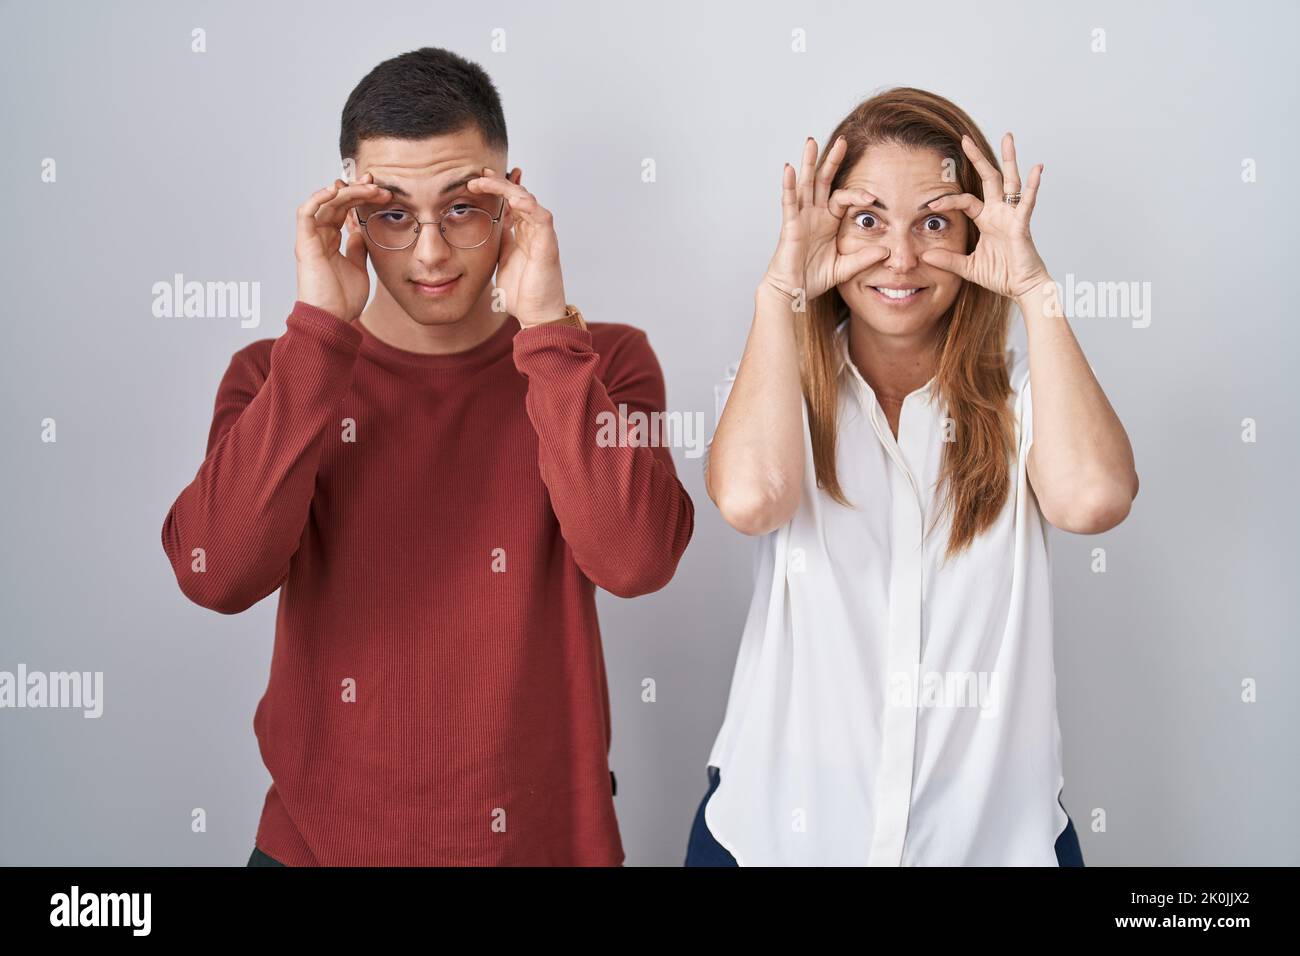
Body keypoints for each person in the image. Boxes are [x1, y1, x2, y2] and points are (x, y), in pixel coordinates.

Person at [160, 47, 694, 866]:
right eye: (394, 214)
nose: (432, 254)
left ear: (513, 199)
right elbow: (216, 575)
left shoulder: (603, 365)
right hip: (318, 849)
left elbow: (635, 560)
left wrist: (548, 329)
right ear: (351, 216)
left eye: (462, 208)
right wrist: (317, 336)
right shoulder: (277, 374)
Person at [689, 87, 1137, 866]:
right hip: (776, 839)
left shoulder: (1026, 395)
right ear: (829, 229)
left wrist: (1033, 292)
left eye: (933, 222)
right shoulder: (779, 382)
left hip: (990, 844)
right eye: (868, 220)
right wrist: (780, 289)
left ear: (974, 231)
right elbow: (753, 500)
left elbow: (1093, 500)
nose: (899, 257)